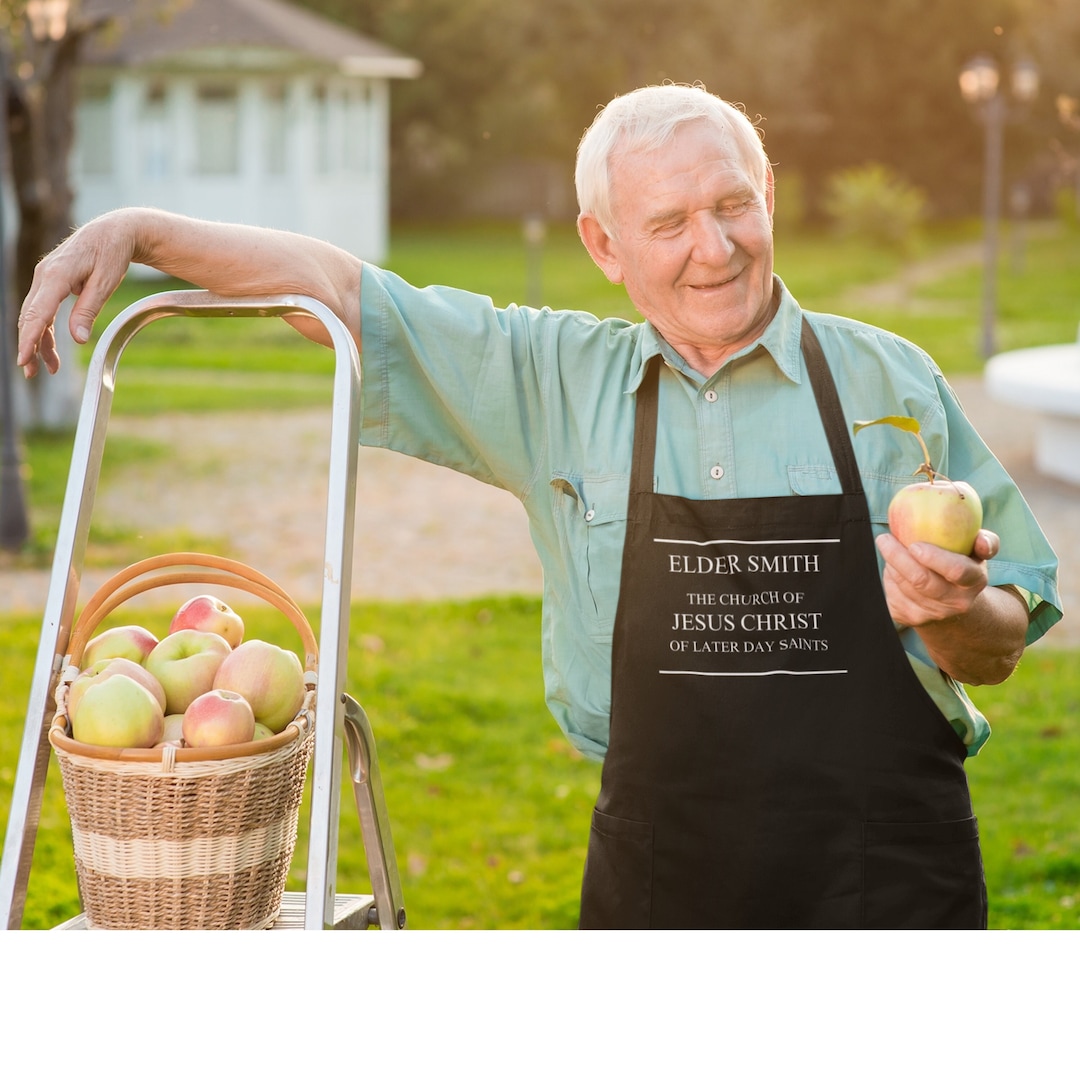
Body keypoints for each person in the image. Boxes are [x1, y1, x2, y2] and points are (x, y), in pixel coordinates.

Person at [18, 83, 1061, 929]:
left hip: (887, 877)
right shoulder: (548, 380)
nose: (714, 247)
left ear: (769, 196)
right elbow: (336, 290)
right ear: (604, 246)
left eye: (732, 205)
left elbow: (1001, 641)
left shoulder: (890, 381)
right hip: (666, 877)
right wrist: (141, 230)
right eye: (668, 223)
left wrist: (952, 611)